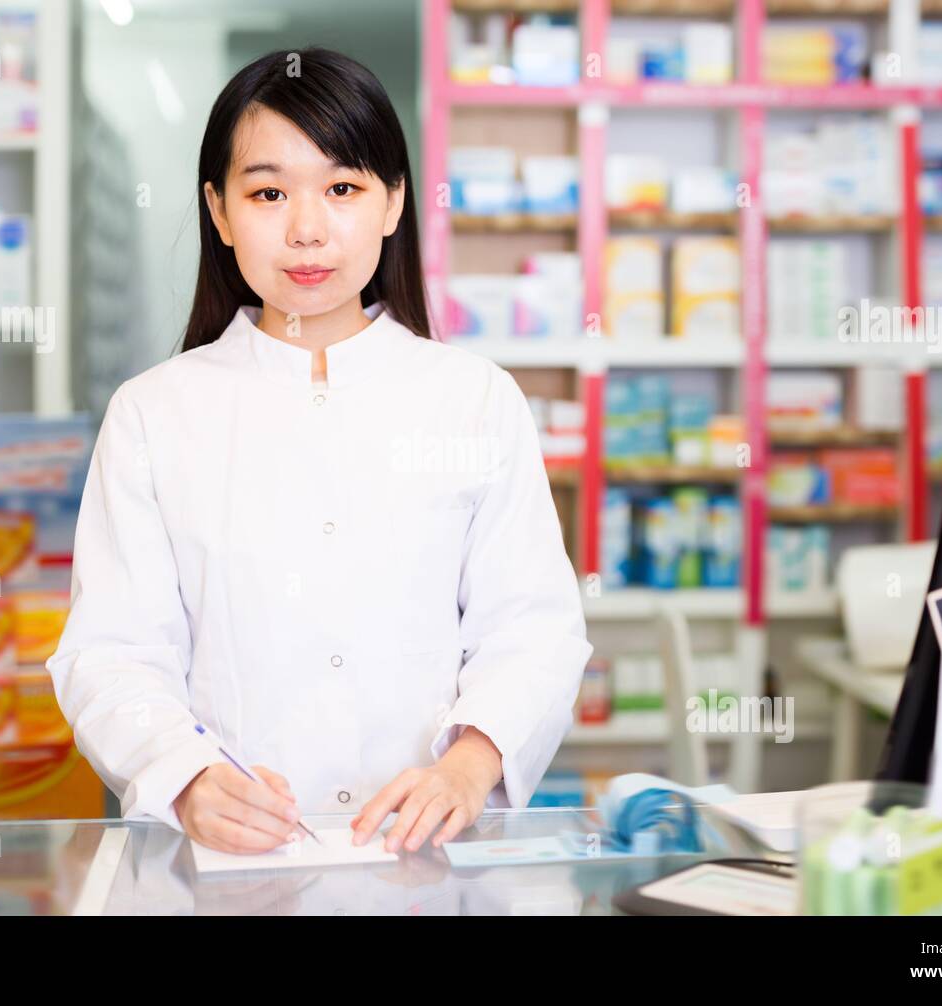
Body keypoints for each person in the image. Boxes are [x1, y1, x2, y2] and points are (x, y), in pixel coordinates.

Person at [47, 47, 591, 857]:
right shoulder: (153, 415)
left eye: (342, 188)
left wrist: (470, 767)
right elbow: (112, 653)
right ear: (220, 213)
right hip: (234, 869)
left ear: (393, 203)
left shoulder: (473, 400)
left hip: (430, 859)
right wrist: (187, 775)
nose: (306, 229)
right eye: (268, 192)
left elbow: (534, 630)